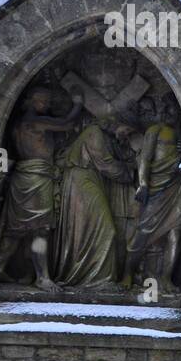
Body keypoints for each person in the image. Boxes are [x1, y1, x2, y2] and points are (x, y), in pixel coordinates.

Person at [0, 87, 83, 290]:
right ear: (30, 101)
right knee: (40, 229)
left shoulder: (17, 124)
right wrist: (78, 103)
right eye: (43, 101)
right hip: (37, 179)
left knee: (14, 231)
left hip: (21, 177)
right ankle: (42, 278)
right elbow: (67, 124)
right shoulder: (34, 121)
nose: (46, 105)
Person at [54, 118, 131, 288]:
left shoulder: (107, 138)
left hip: (88, 180)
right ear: (116, 122)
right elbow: (105, 164)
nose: (127, 134)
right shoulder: (94, 132)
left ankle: (92, 276)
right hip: (81, 181)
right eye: (127, 129)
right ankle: (99, 279)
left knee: (86, 228)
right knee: (105, 227)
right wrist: (131, 172)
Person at [122, 96, 181, 290]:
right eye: (166, 109)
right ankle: (127, 273)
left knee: (176, 234)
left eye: (173, 109)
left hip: (178, 187)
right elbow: (145, 159)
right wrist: (143, 183)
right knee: (143, 233)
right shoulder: (155, 131)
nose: (168, 113)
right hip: (156, 188)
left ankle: (166, 278)